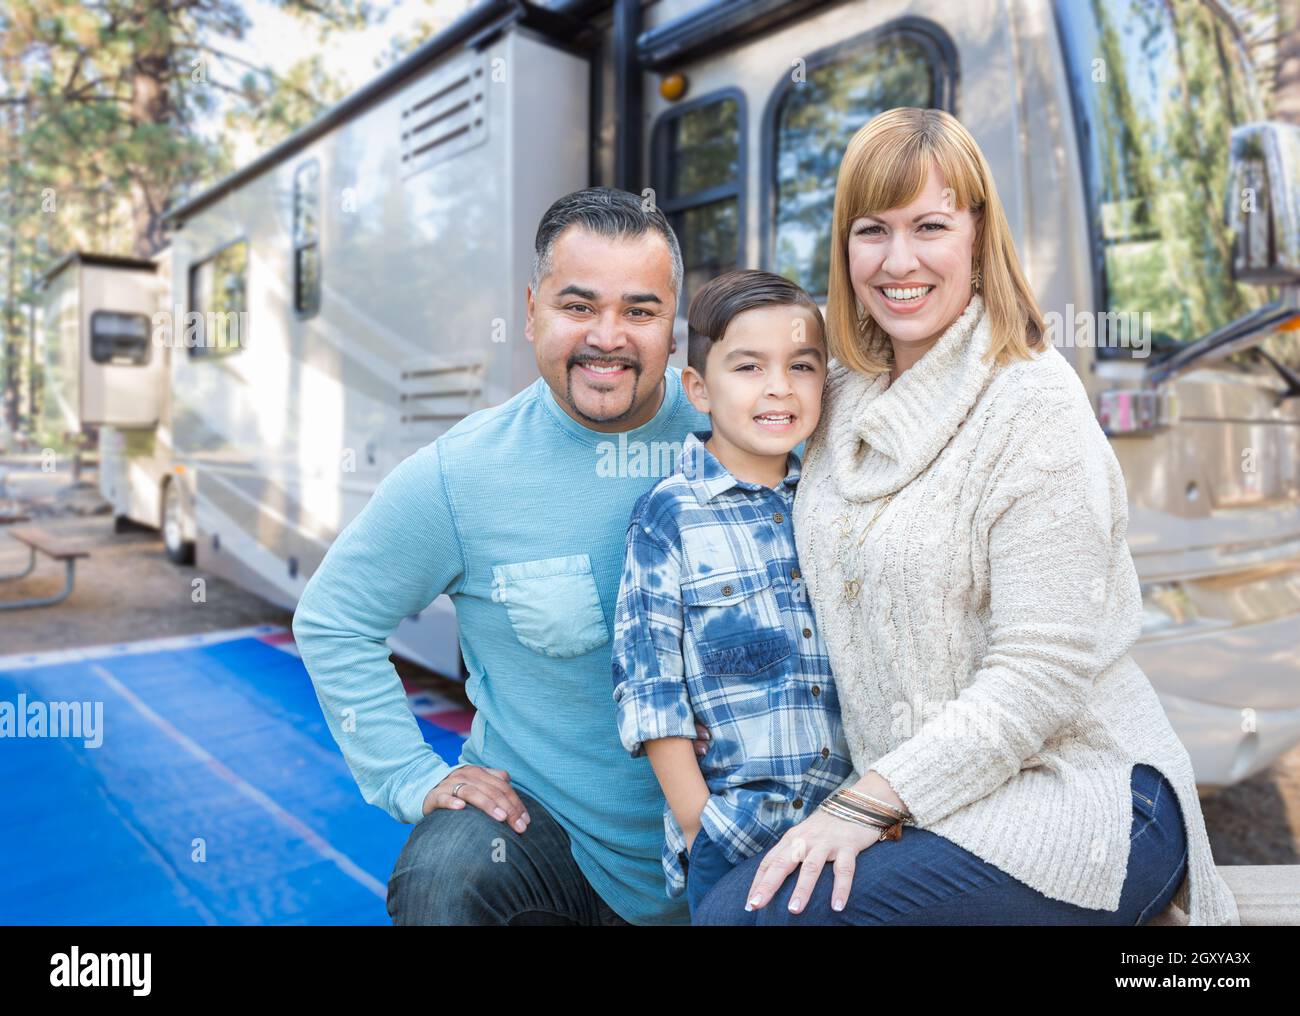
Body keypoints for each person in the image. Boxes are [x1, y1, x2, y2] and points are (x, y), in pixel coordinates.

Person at [693, 108, 1241, 926]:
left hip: (1081, 796)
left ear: (979, 237)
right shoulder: (835, 391)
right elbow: (717, 414)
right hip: (923, 797)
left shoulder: (1034, 406)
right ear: (845, 248)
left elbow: (1040, 676)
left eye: (931, 226)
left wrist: (863, 806)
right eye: (872, 229)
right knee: (729, 897)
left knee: (756, 919)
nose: (899, 260)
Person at [292, 187, 713, 926]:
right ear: (530, 311)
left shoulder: (740, 429)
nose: (607, 337)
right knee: (446, 878)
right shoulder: (463, 475)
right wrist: (409, 774)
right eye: (578, 307)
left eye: (640, 311)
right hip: (554, 846)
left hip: (735, 846)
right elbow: (333, 619)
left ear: (673, 325)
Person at [610, 270, 855, 920]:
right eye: (749, 367)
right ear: (699, 388)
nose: (779, 387)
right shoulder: (670, 517)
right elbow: (650, 693)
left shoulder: (831, 499)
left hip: (851, 824)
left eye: (801, 366)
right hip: (740, 836)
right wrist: (702, 828)